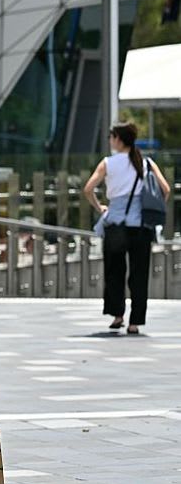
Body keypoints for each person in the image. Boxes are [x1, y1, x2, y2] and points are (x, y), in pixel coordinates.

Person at [83, 121, 170, 334]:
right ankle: (135, 322)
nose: (111, 141)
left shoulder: (108, 163)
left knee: (115, 272)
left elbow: (88, 189)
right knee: (139, 275)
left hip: (116, 226)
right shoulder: (147, 162)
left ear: (118, 139)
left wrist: (101, 208)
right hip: (141, 227)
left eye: (112, 137)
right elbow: (165, 190)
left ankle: (117, 316)